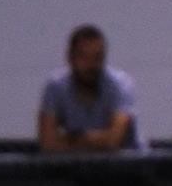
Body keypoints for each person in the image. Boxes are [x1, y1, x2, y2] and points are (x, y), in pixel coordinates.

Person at [38, 23, 140, 152]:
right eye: (84, 57)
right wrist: (98, 138)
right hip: (75, 166)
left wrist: (71, 138)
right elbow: (48, 144)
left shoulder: (120, 84)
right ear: (70, 58)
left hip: (128, 167)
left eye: (97, 57)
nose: (91, 65)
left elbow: (113, 141)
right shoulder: (55, 86)